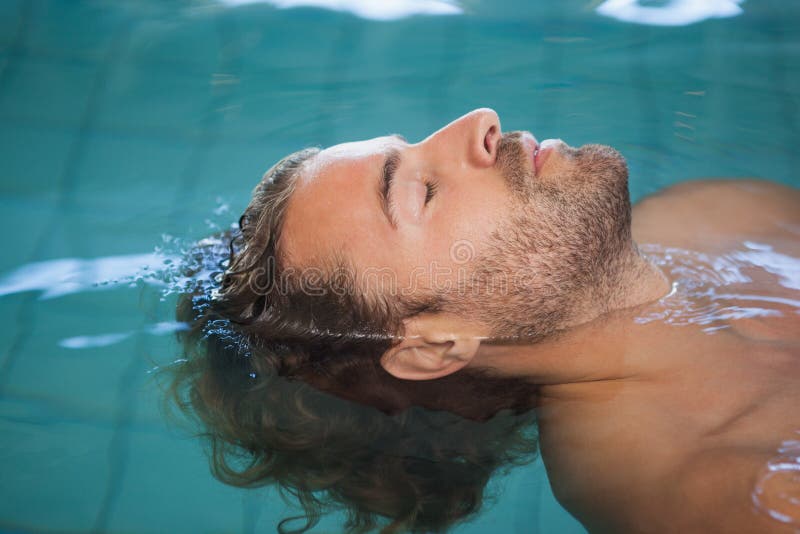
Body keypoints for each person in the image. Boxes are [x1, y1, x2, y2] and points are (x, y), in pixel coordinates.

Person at [171, 108, 800, 533]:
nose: (479, 121)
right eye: (422, 192)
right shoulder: (731, 493)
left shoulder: (720, 217)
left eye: (414, 145)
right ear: (436, 345)